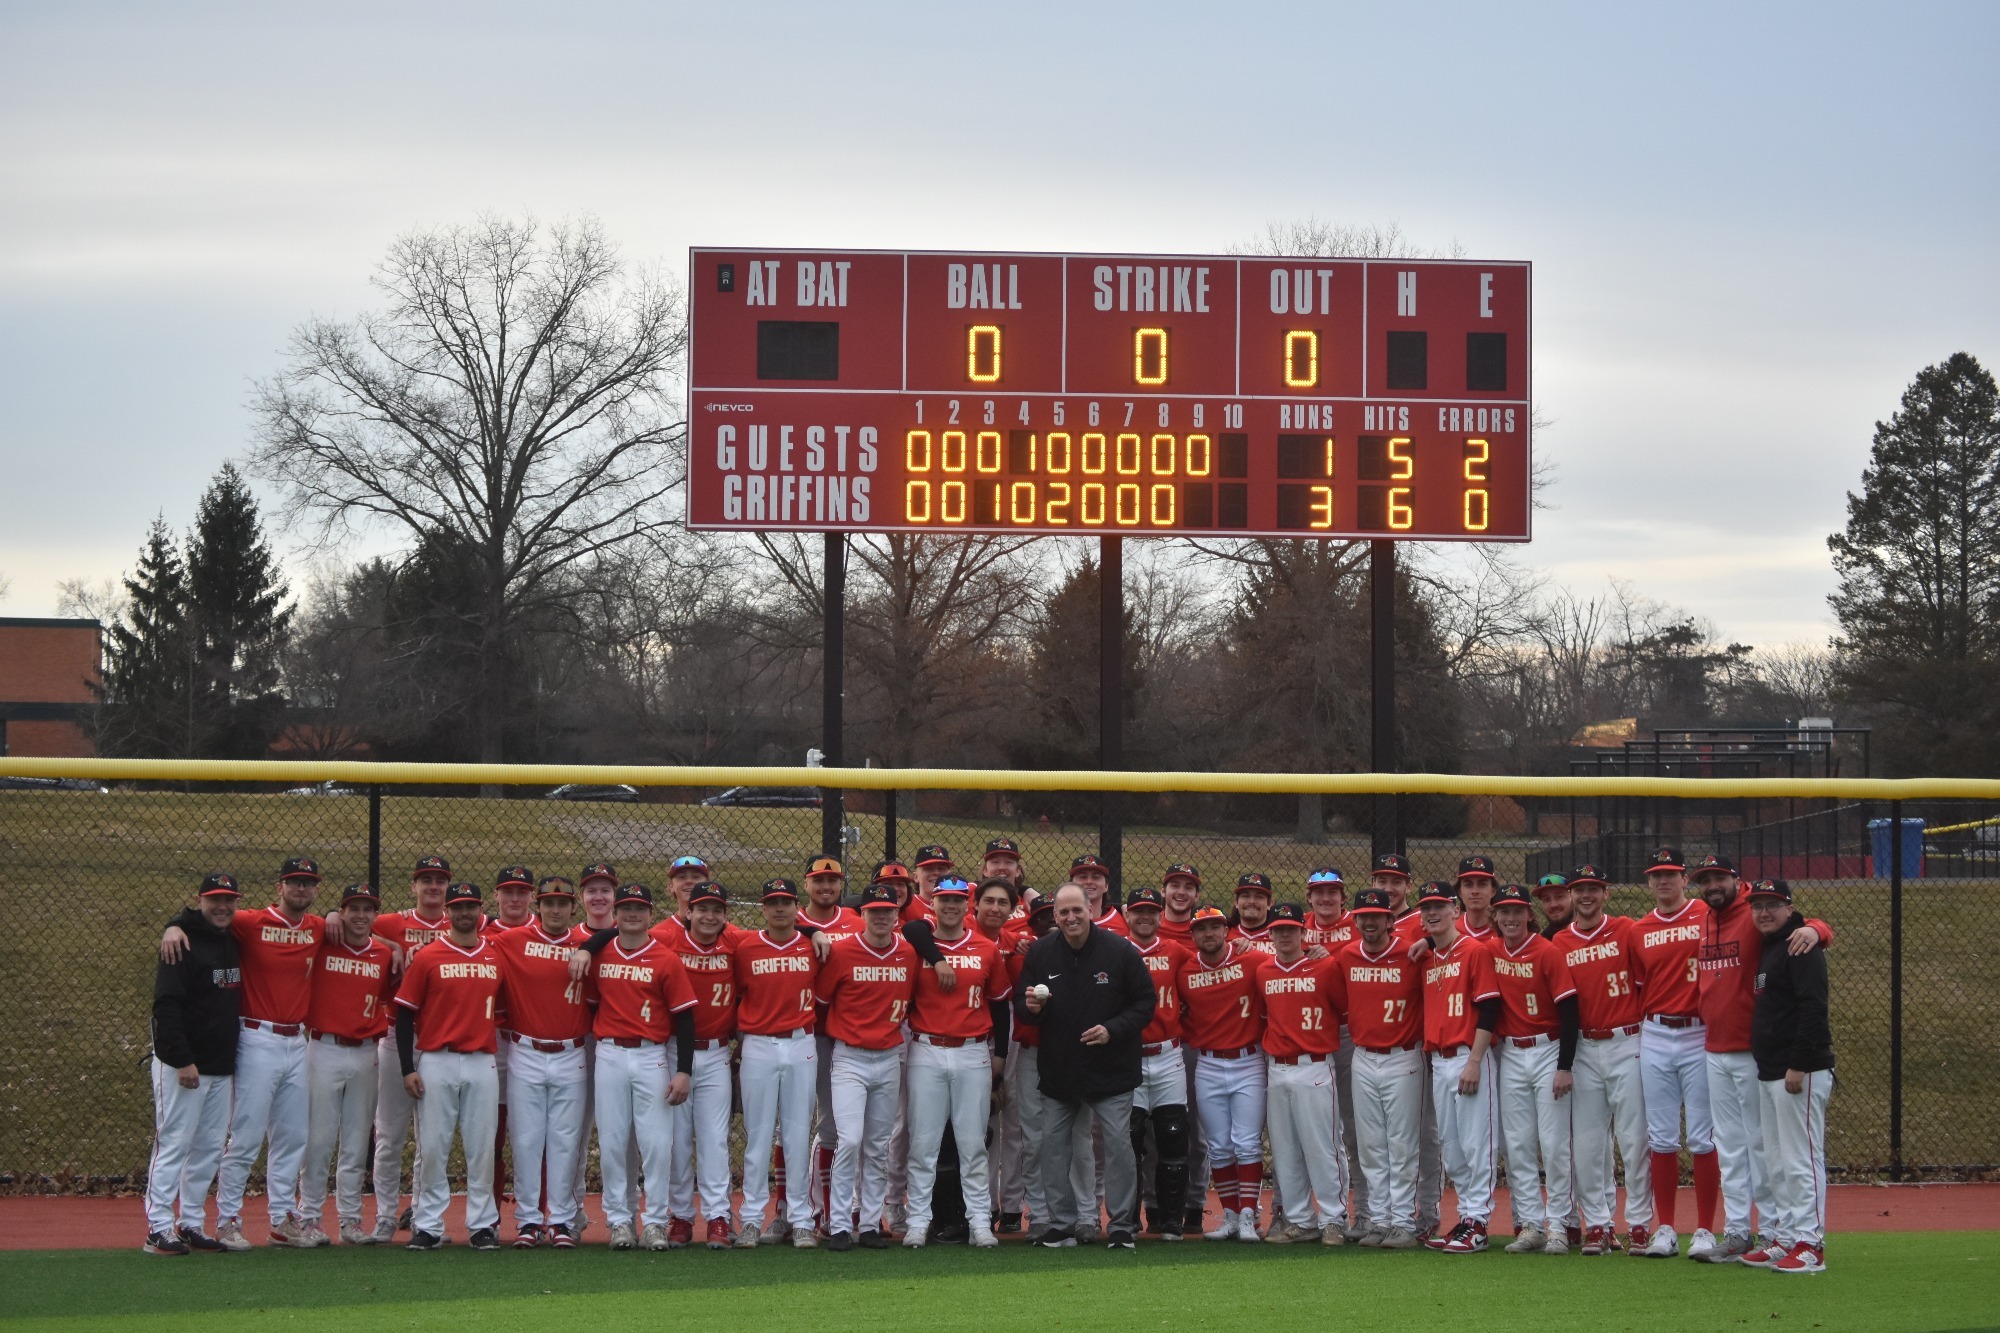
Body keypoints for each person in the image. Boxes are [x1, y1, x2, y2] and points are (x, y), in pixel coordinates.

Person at [160, 855, 327, 1250]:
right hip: (256, 1037)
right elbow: (204, 917)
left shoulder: (320, 927)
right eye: (293, 882)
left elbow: (366, 931)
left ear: (316, 889)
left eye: (307, 882)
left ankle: (283, 1219)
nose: (300, 889)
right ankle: (228, 1219)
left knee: (293, 1136)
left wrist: (337, 913)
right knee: (246, 1135)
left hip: (297, 1040)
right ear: (279, 887)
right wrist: (172, 925)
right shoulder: (249, 921)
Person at [1692, 854, 1834, 1264]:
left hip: (1768, 1058)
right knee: (1749, 1150)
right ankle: (1758, 1233)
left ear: (1740, 882)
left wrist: (1816, 928)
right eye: (1705, 880)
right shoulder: (1719, 922)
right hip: (1727, 1051)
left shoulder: (1775, 931)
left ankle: (1797, 1238)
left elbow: (1812, 999)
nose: (1713, 885)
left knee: (1785, 1154)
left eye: (1720, 877)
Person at [1018, 883, 1155, 1250]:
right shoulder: (1042, 953)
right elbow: (1022, 1004)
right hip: (1060, 1068)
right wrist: (1031, 1007)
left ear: (1091, 910)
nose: (1071, 917)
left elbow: (1145, 1003)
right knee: (1053, 1145)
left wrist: (1112, 1030)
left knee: (1118, 1145)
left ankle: (1123, 1225)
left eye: (1077, 910)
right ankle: (1062, 1224)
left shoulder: (1120, 951)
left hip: (1111, 1068)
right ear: (1056, 917)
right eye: (1063, 912)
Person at [394, 881, 508, 1251]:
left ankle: (481, 1225)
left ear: (479, 911)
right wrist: (407, 1067)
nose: (464, 913)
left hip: (481, 1060)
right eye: (457, 907)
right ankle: (427, 1224)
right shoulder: (429, 956)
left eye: (470, 907)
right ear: (448, 912)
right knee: (433, 1147)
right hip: (437, 1059)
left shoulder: (494, 956)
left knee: (481, 1148)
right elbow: (405, 1013)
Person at [584, 882, 697, 1252]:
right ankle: (619, 1221)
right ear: (615, 914)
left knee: (657, 1143)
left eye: (640, 908)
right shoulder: (601, 955)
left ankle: (654, 1223)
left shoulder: (665, 958)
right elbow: (589, 1005)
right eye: (626, 908)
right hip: (611, 1053)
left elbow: (685, 1019)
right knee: (614, 1141)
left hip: (652, 1055)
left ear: (651, 914)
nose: (633, 914)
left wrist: (684, 1070)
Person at [900, 875, 1010, 1249]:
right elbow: (911, 928)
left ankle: (980, 1220)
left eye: (958, 900)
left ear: (969, 905)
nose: (950, 906)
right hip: (926, 1047)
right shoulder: (918, 945)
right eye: (944, 899)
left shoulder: (985, 948)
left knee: (972, 1142)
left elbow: (999, 1003)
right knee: (924, 1142)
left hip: (972, 1049)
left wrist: (1000, 1055)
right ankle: (918, 1220)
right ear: (933, 902)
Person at [487, 875, 593, 1248]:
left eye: (562, 904)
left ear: (571, 909)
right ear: (538, 907)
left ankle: (562, 1218)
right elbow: (461, 940)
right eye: (548, 903)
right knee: (527, 1138)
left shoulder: (586, 944)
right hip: (525, 1050)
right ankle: (529, 1220)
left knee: (566, 1140)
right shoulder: (513, 940)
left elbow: (619, 937)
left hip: (572, 1052)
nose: (554, 909)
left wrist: (590, 944)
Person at [1552, 862, 1653, 1254]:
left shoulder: (1628, 929)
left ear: (1606, 893)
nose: (1587, 895)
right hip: (1584, 1048)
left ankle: (1640, 1224)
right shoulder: (1560, 942)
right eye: (1580, 889)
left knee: (1633, 1138)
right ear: (1572, 896)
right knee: (1588, 1143)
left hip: (1627, 1041)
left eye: (1594, 887)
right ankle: (1598, 1224)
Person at [816, 883, 920, 1250]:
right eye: (873, 911)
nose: (880, 917)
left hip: (889, 1056)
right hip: (849, 1057)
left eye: (887, 911)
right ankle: (841, 1223)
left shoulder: (908, 954)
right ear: (862, 914)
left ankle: (871, 1224)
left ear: (896, 916)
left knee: (878, 1145)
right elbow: (822, 1001)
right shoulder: (842, 952)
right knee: (851, 1140)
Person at [144, 872, 243, 1256]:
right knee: (174, 1143)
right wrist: (182, 1059)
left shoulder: (233, 937)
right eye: (214, 899)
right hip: (182, 1065)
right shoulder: (181, 943)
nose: (222, 906)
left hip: (220, 1065)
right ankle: (157, 1227)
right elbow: (165, 1006)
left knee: (209, 1147)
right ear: (199, 900)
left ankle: (190, 1223)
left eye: (229, 900)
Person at [299, 883, 397, 1246]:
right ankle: (309, 1217)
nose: (360, 915)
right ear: (341, 912)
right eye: (352, 908)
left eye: (367, 909)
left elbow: (389, 989)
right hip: (324, 1047)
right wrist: (327, 918)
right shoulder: (324, 941)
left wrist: (397, 947)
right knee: (319, 1140)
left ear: (376, 915)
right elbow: (306, 923)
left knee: (357, 1141)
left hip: (366, 1051)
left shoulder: (383, 954)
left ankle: (350, 1220)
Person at [1745, 880, 1834, 1275]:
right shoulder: (1771, 947)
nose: (1764, 912)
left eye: (1773, 905)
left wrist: (1798, 1063)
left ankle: (1811, 1244)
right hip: (1770, 1070)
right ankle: (1785, 1236)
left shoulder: (1802, 945)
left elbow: (1813, 1008)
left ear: (1789, 907)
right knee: (1777, 1160)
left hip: (1801, 1070)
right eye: (1758, 905)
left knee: (1802, 1159)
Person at [1487, 883, 1580, 1255]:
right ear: (1495, 916)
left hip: (1547, 1048)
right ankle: (1531, 1224)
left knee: (1554, 1143)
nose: (1510, 918)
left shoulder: (1547, 951)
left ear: (1530, 914)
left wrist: (1564, 1065)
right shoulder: (1490, 950)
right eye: (1503, 912)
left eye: (1517, 911)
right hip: (1511, 1052)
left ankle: (1558, 1223)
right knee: (1517, 1145)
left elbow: (1569, 1010)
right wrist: (1427, 943)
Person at [367, 854, 455, 1241]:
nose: (433, 886)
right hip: (393, 1035)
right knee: (388, 1135)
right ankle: (385, 1215)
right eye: (426, 880)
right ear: (413, 887)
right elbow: (345, 924)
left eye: (440, 880)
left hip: (437, 1041)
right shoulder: (393, 922)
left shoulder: (462, 922)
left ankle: (421, 1214)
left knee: (430, 1136)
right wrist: (387, 942)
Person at [1330, 887, 1425, 1249]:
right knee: (1370, 1145)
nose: (1370, 922)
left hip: (1403, 1056)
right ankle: (1380, 1219)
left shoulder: (1412, 953)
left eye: (1377, 916)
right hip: (1363, 1056)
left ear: (1390, 920)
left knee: (1401, 1144)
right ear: (1355, 921)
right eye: (1363, 917)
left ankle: (1404, 1221)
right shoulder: (1348, 956)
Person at [733, 878, 823, 1249]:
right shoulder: (745, 947)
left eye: (786, 901)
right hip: (757, 1044)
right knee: (757, 1136)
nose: (780, 908)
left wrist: (812, 930)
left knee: (797, 1134)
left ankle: (800, 1218)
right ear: (763, 907)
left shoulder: (812, 944)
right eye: (773, 902)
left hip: (801, 1041)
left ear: (795, 905)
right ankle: (751, 1218)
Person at [1255, 903, 1349, 1245]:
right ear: (1271, 934)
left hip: (1314, 1065)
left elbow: (1343, 1009)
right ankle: (1299, 1219)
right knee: (1285, 1149)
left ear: (1302, 932)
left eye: (1290, 929)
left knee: (1323, 1146)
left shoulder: (1325, 966)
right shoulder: (1264, 970)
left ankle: (1334, 1218)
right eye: (1278, 930)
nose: (1284, 935)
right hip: (1277, 1068)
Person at [1418, 880, 1502, 1255]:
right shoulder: (1430, 957)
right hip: (1439, 1060)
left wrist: (1475, 1060)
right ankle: (1466, 1218)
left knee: (1476, 1143)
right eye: (1426, 908)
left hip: (1469, 1057)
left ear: (1456, 910)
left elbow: (1489, 1008)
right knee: (1452, 1147)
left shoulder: (1474, 950)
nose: (1432, 913)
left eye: (1440, 906)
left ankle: (1479, 1223)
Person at [1177, 905, 1266, 1241]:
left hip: (1249, 1060)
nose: (1208, 934)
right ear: (1193, 935)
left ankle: (1249, 1215)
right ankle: (1230, 1214)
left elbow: (1286, 961)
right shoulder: (1185, 970)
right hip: (1209, 1062)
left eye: (1214, 927)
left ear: (1227, 930)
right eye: (1201, 929)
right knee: (1218, 1146)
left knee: (1246, 1144)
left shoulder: (1253, 959)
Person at [665, 881, 744, 1250]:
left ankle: (717, 1217)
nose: (709, 916)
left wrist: (812, 932)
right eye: (702, 909)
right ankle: (680, 1216)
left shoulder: (737, 942)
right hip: (672, 1052)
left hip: (715, 1052)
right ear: (688, 912)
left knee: (714, 1139)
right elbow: (618, 937)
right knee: (678, 1140)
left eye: (717, 909)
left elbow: (783, 932)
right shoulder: (666, 942)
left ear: (725, 915)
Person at [1121, 887, 1192, 1240]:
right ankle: (1129, 1220)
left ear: (1160, 914)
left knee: (1172, 1135)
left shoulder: (1176, 951)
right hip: (1128, 1054)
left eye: (1151, 910)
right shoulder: (1116, 950)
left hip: (1168, 1054)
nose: (1145, 917)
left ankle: (1169, 1220)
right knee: (1130, 1139)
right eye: (1138, 911)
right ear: (1126, 915)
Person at [799, 854, 862, 1231]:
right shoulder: (790, 917)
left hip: (843, 1035)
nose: (826, 887)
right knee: (789, 1127)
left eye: (833, 881)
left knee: (835, 1126)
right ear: (806, 885)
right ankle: (796, 1212)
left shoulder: (855, 922)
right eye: (819, 880)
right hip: (803, 1031)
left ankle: (830, 1211)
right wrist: (809, 931)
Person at [1069, 854, 1127, 933]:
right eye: (1082, 877)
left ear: (1106, 886)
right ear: (1071, 885)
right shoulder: (1060, 920)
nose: (1089, 881)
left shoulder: (1125, 919)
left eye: (1096, 877)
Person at [1227, 873, 1276, 954]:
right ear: (1236, 902)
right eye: (1246, 896)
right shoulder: (1223, 934)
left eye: (1259, 897)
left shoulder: (1281, 938)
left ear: (1270, 904)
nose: (1251, 901)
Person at [1454, 855, 1499, 942]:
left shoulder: (1504, 929)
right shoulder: (1451, 929)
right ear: (1460, 892)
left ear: (1493, 891)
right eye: (1468, 884)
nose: (1475, 891)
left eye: (1482, 884)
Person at [1533, 874, 1574, 939]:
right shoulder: (1544, 942)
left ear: (1573, 896)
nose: (1553, 904)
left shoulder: (1592, 931)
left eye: (1559, 897)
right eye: (1546, 899)